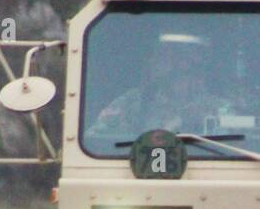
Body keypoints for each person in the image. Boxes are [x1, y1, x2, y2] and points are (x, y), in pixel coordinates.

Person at [88, 32, 242, 138]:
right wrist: (173, 126)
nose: (153, 62)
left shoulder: (220, 107)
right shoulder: (135, 102)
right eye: (160, 55)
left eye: (164, 55)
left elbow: (238, 147)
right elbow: (98, 141)